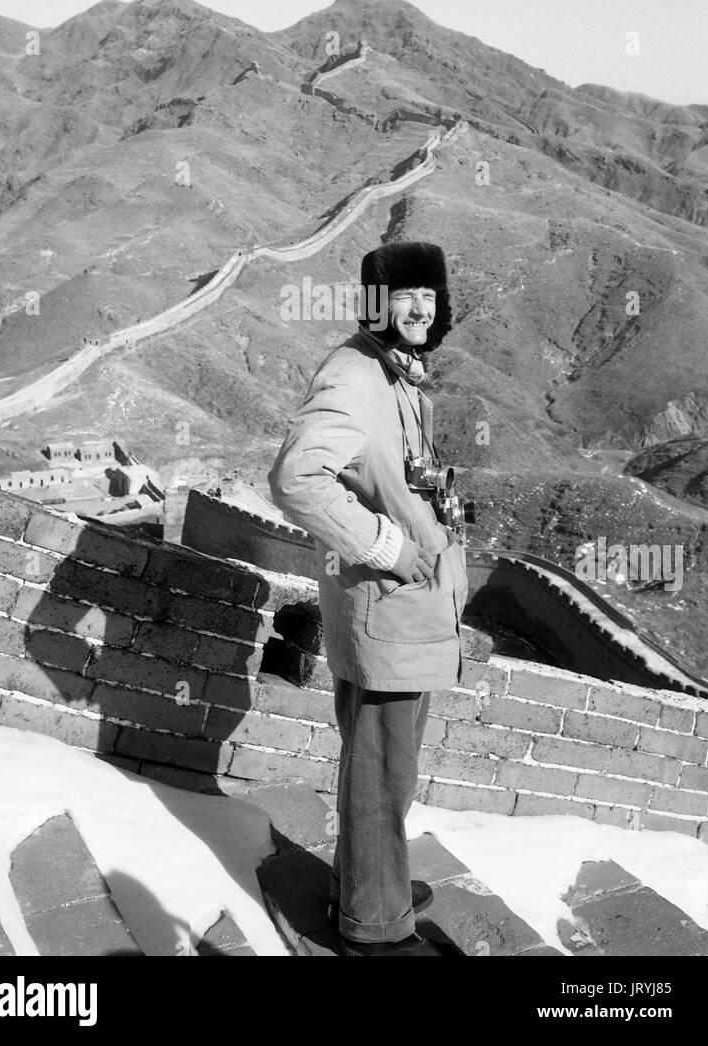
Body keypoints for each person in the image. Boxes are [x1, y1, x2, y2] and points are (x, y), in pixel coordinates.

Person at [268, 240, 469, 957]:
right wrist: (387, 547)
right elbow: (297, 480)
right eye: (404, 296)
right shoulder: (355, 376)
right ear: (378, 304)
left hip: (406, 615)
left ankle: (368, 883)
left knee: (387, 766)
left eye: (429, 295)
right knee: (383, 772)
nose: (419, 308)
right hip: (386, 612)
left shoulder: (400, 378)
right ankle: (375, 930)